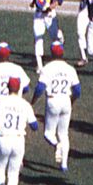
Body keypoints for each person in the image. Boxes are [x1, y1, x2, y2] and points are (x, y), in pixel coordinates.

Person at [33, 43, 81, 171]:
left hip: (53, 101)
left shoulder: (47, 68)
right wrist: (72, 101)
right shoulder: (70, 68)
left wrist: (33, 101)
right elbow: (77, 90)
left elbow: (39, 88)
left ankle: (57, 145)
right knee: (64, 134)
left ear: (51, 53)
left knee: (49, 134)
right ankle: (64, 164)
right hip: (66, 100)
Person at [29, 0, 65, 72]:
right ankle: (40, 65)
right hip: (39, 14)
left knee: (55, 38)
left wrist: (53, 5)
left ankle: (59, 36)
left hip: (49, 14)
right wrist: (33, 2)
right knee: (38, 37)